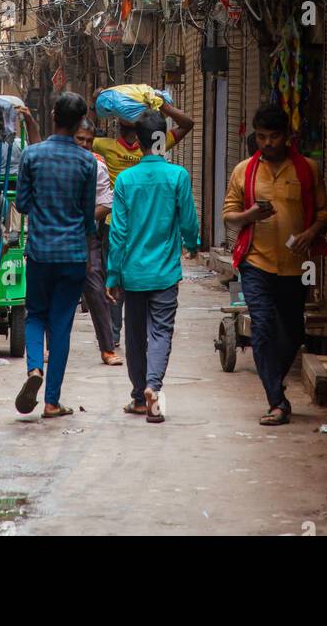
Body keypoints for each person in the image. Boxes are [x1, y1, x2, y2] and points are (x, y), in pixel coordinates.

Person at [223, 102, 327, 427]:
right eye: (261, 137)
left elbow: (326, 213)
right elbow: (228, 216)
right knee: (262, 328)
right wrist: (249, 216)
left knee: (294, 331)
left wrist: (311, 232)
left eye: (273, 136)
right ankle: (277, 401)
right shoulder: (244, 171)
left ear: (287, 136)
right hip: (255, 263)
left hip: (296, 266)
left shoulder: (308, 169)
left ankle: (274, 382)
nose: (267, 143)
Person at [105, 109, 199, 423]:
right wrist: (192, 244)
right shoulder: (178, 176)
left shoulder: (126, 180)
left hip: (132, 273)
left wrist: (113, 273)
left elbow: (117, 231)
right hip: (164, 272)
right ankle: (153, 387)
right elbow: (188, 221)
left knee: (134, 336)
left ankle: (137, 396)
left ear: (139, 140)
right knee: (160, 332)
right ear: (161, 139)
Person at [14, 91, 96, 419]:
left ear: (53, 116)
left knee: (35, 314)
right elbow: (89, 216)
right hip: (74, 255)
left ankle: (35, 368)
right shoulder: (87, 162)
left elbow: (21, 204)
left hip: (40, 252)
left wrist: (43, 209)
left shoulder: (31, 156)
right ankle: (51, 402)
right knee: (61, 327)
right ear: (79, 123)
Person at [93, 96, 194, 348]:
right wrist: (96, 105)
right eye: (125, 127)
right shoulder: (105, 146)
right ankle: (116, 333)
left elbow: (187, 124)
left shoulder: (155, 144)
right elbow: (80, 136)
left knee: (132, 280)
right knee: (117, 284)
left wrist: (164, 107)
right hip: (113, 221)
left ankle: (142, 333)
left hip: (142, 223)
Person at [73, 118, 123, 366]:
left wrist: (80, 219)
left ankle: (108, 348)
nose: (84, 145)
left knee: (96, 289)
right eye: (79, 139)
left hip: (87, 234)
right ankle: (49, 348)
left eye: (88, 141)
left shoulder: (98, 165)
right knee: (56, 294)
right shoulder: (59, 160)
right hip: (60, 236)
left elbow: (105, 203)